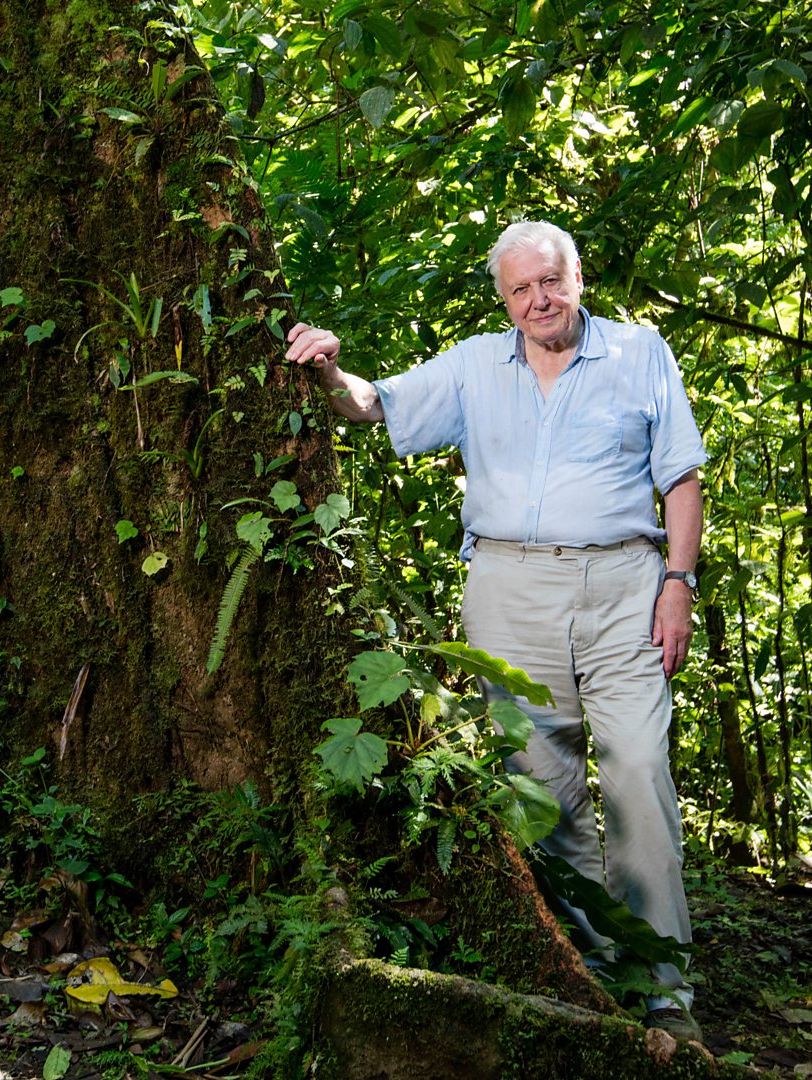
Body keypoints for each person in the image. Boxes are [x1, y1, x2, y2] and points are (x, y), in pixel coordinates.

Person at [284, 220, 708, 1042]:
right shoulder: (476, 365)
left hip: (625, 585)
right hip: (509, 589)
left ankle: (665, 991)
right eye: (521, 289)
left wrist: (678, 586)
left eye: (550, 281)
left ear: (577, 278)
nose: (538, 300)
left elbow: (682, 478)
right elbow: (374, 407)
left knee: (639, 772)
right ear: (504, 300)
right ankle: (595, 981)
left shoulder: (639, 352)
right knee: (544, 793)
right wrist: (328, 369)